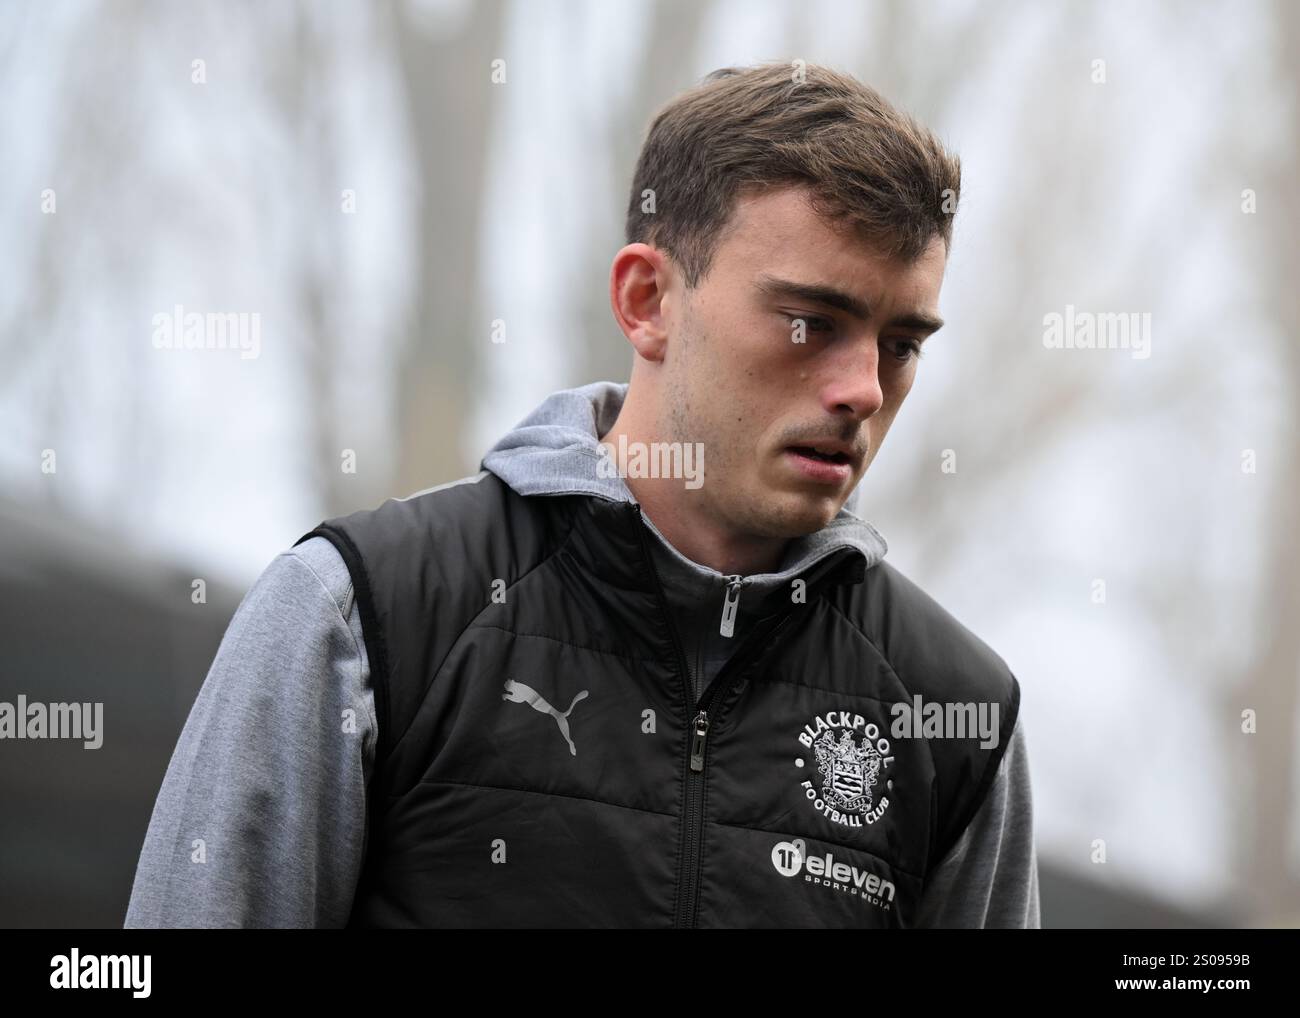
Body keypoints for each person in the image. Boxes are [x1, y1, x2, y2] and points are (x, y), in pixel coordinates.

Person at [125, 61, 1039, 929]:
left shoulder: (954, 718)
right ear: (647, 300)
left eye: (901, 344)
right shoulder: (360, 617)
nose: (863, 390)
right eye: (813, 323)